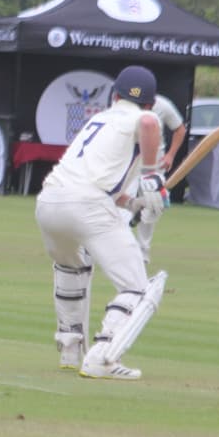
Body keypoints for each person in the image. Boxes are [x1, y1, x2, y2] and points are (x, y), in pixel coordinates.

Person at [35, 65, 169, 380]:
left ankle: (70, 348)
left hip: (49, 202)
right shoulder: (142, 117)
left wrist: (134, 203)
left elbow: (103, 183)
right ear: (150, 102)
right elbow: (149, 122)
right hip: (87, 205)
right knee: (137, 288)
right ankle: (103, 355)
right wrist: (152, 177)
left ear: (115, 95)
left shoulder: (99, 120)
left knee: (72, 267)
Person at [133, 93, 186, 266]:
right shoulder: (126, 106)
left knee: (154, 206)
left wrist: (170, 155)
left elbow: (179, 129)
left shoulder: (163, 105)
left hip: (154, 165)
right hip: (129, 164)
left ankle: (143, 253)